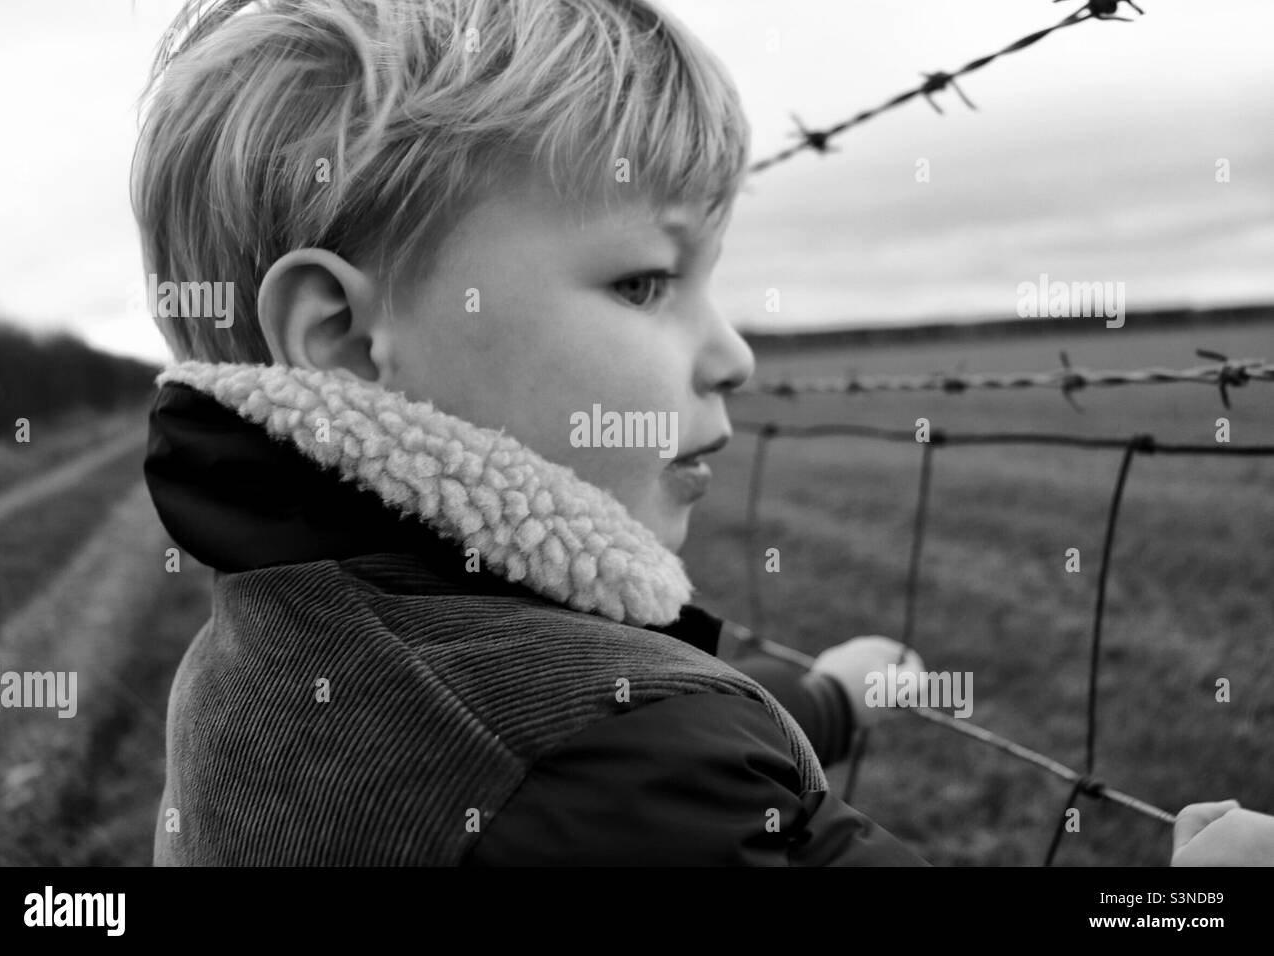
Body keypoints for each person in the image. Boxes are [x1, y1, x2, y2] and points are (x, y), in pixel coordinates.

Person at [132, 0, 1272, 865]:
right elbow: (621, 768)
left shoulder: (278, 645)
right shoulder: (611, 760)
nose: (735, 355)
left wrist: (821, 705)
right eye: (642, 281)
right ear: (338, 333)